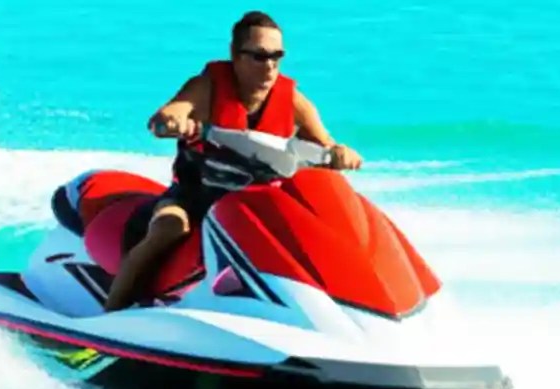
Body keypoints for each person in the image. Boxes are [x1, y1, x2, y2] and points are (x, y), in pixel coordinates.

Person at [103, 10, 364, 312]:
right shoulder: (207, 88)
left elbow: (326, 146)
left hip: (255, 206)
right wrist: (174, 121)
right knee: (169, 229)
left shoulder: (293, 101)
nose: (269, 66)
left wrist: (341, 154)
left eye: (276, 56)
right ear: (235, 55)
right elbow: (164, 118)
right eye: (259, 56)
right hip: (194, 198)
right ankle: (110, 315)